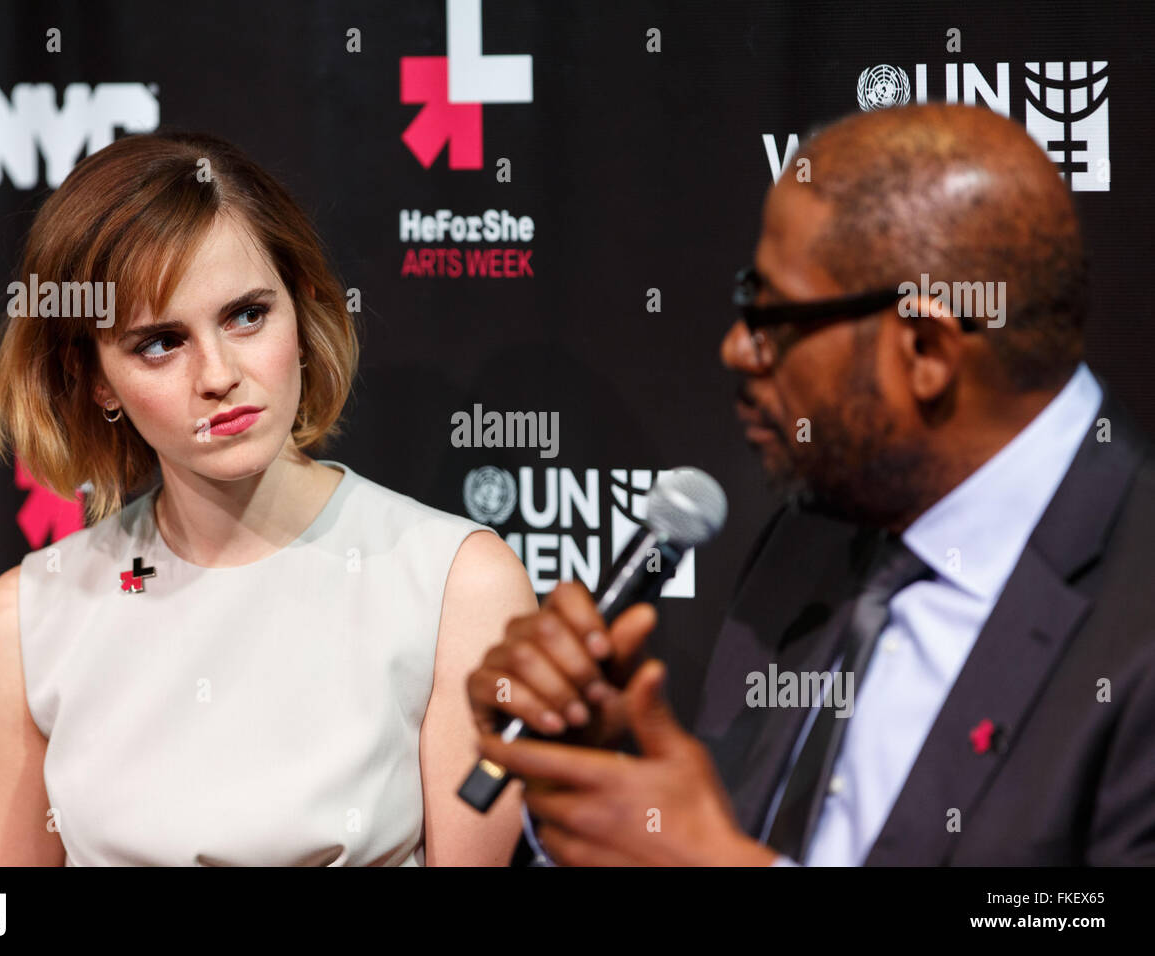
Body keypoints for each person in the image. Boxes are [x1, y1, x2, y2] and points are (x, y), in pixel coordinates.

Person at [469, 103, 1155, 865]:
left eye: (774, 316)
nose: (737, 347)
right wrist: (591, 783)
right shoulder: (811, 540)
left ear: (925, 350)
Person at [0, 130, 535, 866]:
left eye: (246, 315)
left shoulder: (457, 584)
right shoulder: (25, 623)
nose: (219, 374)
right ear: (96, 380)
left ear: (301, 312)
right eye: (160, 342)